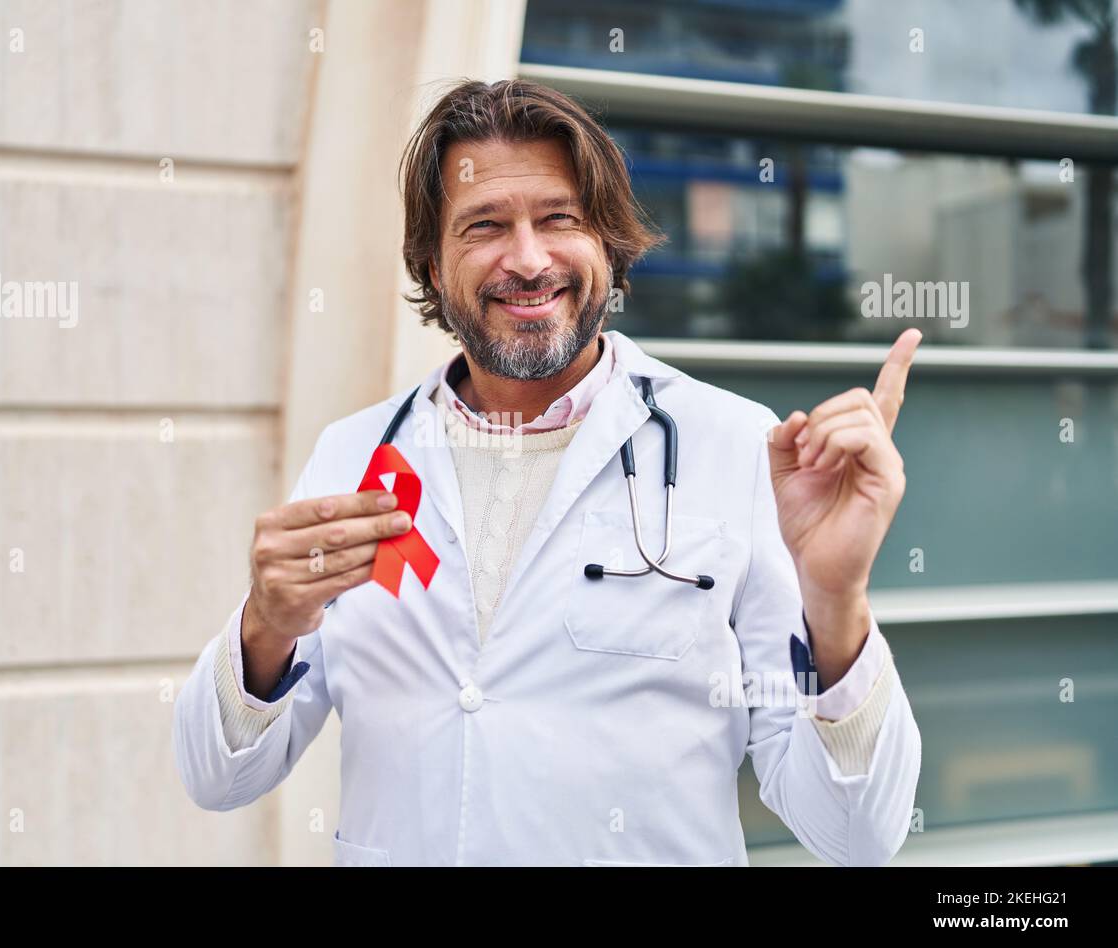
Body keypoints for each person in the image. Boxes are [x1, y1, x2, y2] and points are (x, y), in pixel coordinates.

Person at [173, 78, 922, 867]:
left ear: (611, 245)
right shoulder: (353, 457)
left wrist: (836, 604)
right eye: (484, 225)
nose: (527, 261)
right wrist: (265, 625)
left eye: (559, 219)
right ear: (432, 263)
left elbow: (855, 837)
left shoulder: (736, 447)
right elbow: (217, 779)